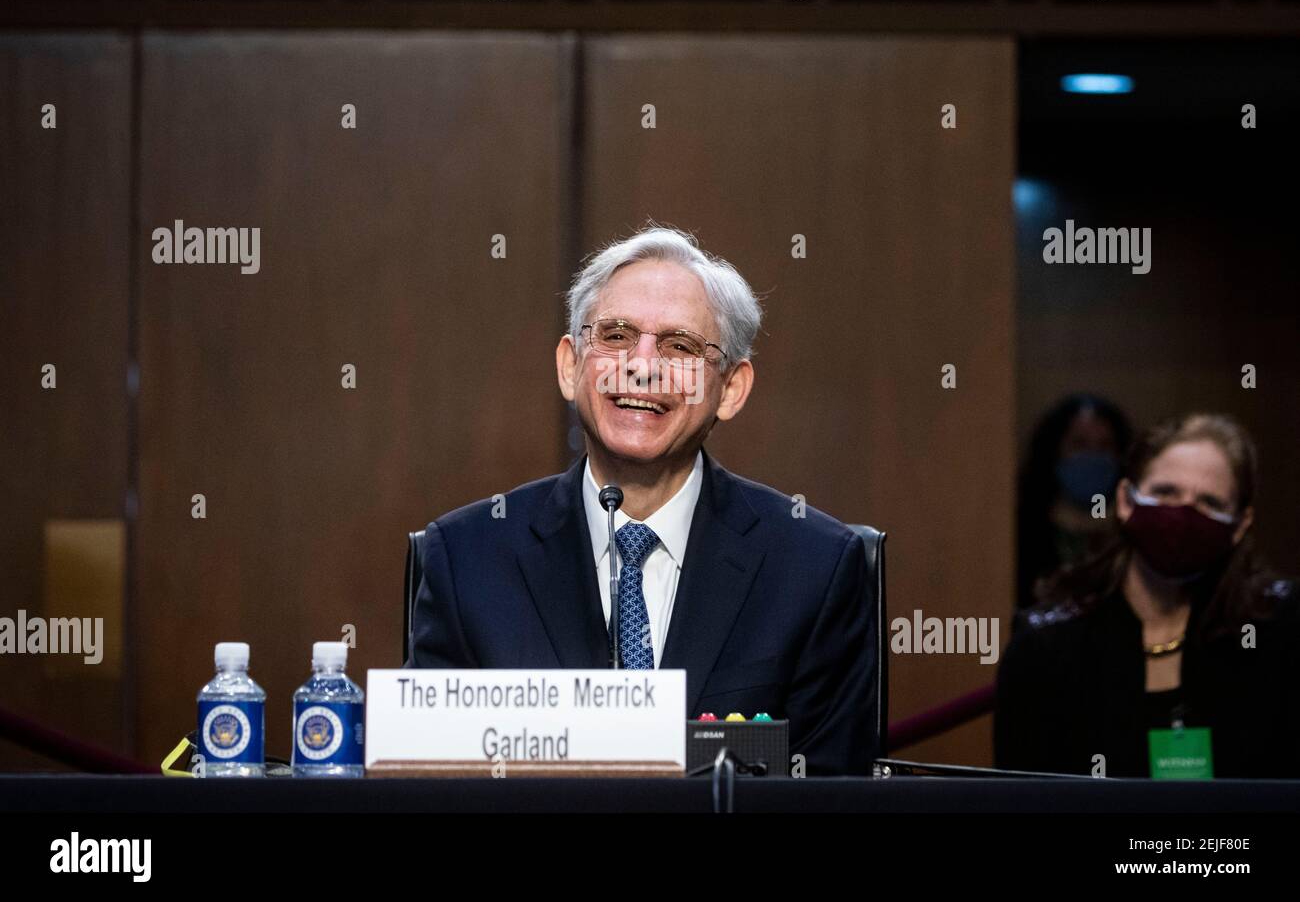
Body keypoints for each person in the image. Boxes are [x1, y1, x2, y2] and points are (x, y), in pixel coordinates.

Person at [406, 225, 879, 775]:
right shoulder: (466, 560)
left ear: (730, 389)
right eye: (615, 336)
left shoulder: (815, 569)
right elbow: (432, 789)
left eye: (679, 346)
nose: (643, 364)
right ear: (570, 366)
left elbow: (830, 800)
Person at [996, 413, 1299, 778]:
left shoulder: (1280, 627)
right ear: (1125, 500)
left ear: (1240, 525)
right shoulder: (1047, 642)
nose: (1184, 512)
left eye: (1210, 503)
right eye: (1165, 492)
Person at [1015, 394, 1131, 611]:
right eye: (1080, 444)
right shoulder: (1024, 529)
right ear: (1054, 452)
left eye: (1105, 445)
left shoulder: (1132, 530)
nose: (1093, 456)